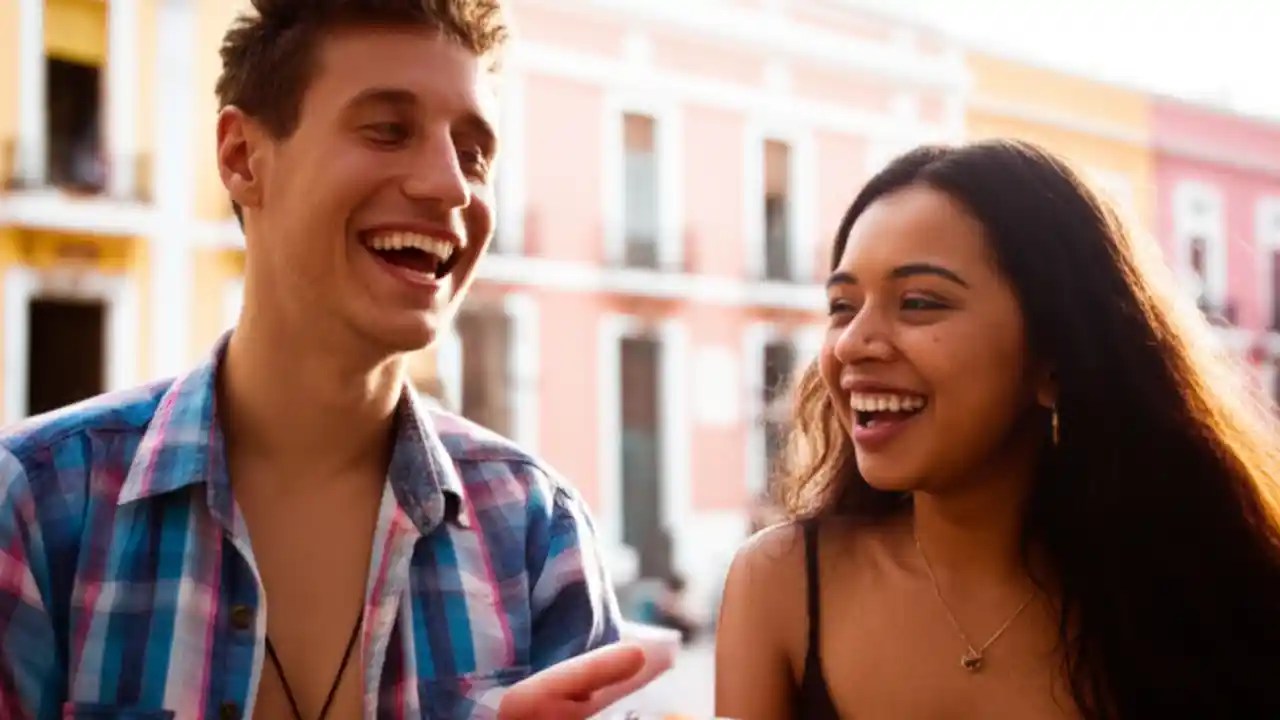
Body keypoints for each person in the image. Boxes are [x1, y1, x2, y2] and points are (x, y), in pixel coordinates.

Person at [0, 1, 669, 718]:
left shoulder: (540, 531)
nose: (450, 185)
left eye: (475, 153)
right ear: (241, 157)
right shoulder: (37, 507)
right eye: (388, 130)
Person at [715, 140, 1280, 719]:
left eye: (917, 302)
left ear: (1054, 359)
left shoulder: (1210, 596)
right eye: (842, 306)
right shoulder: (781, 586)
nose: (854, 342)